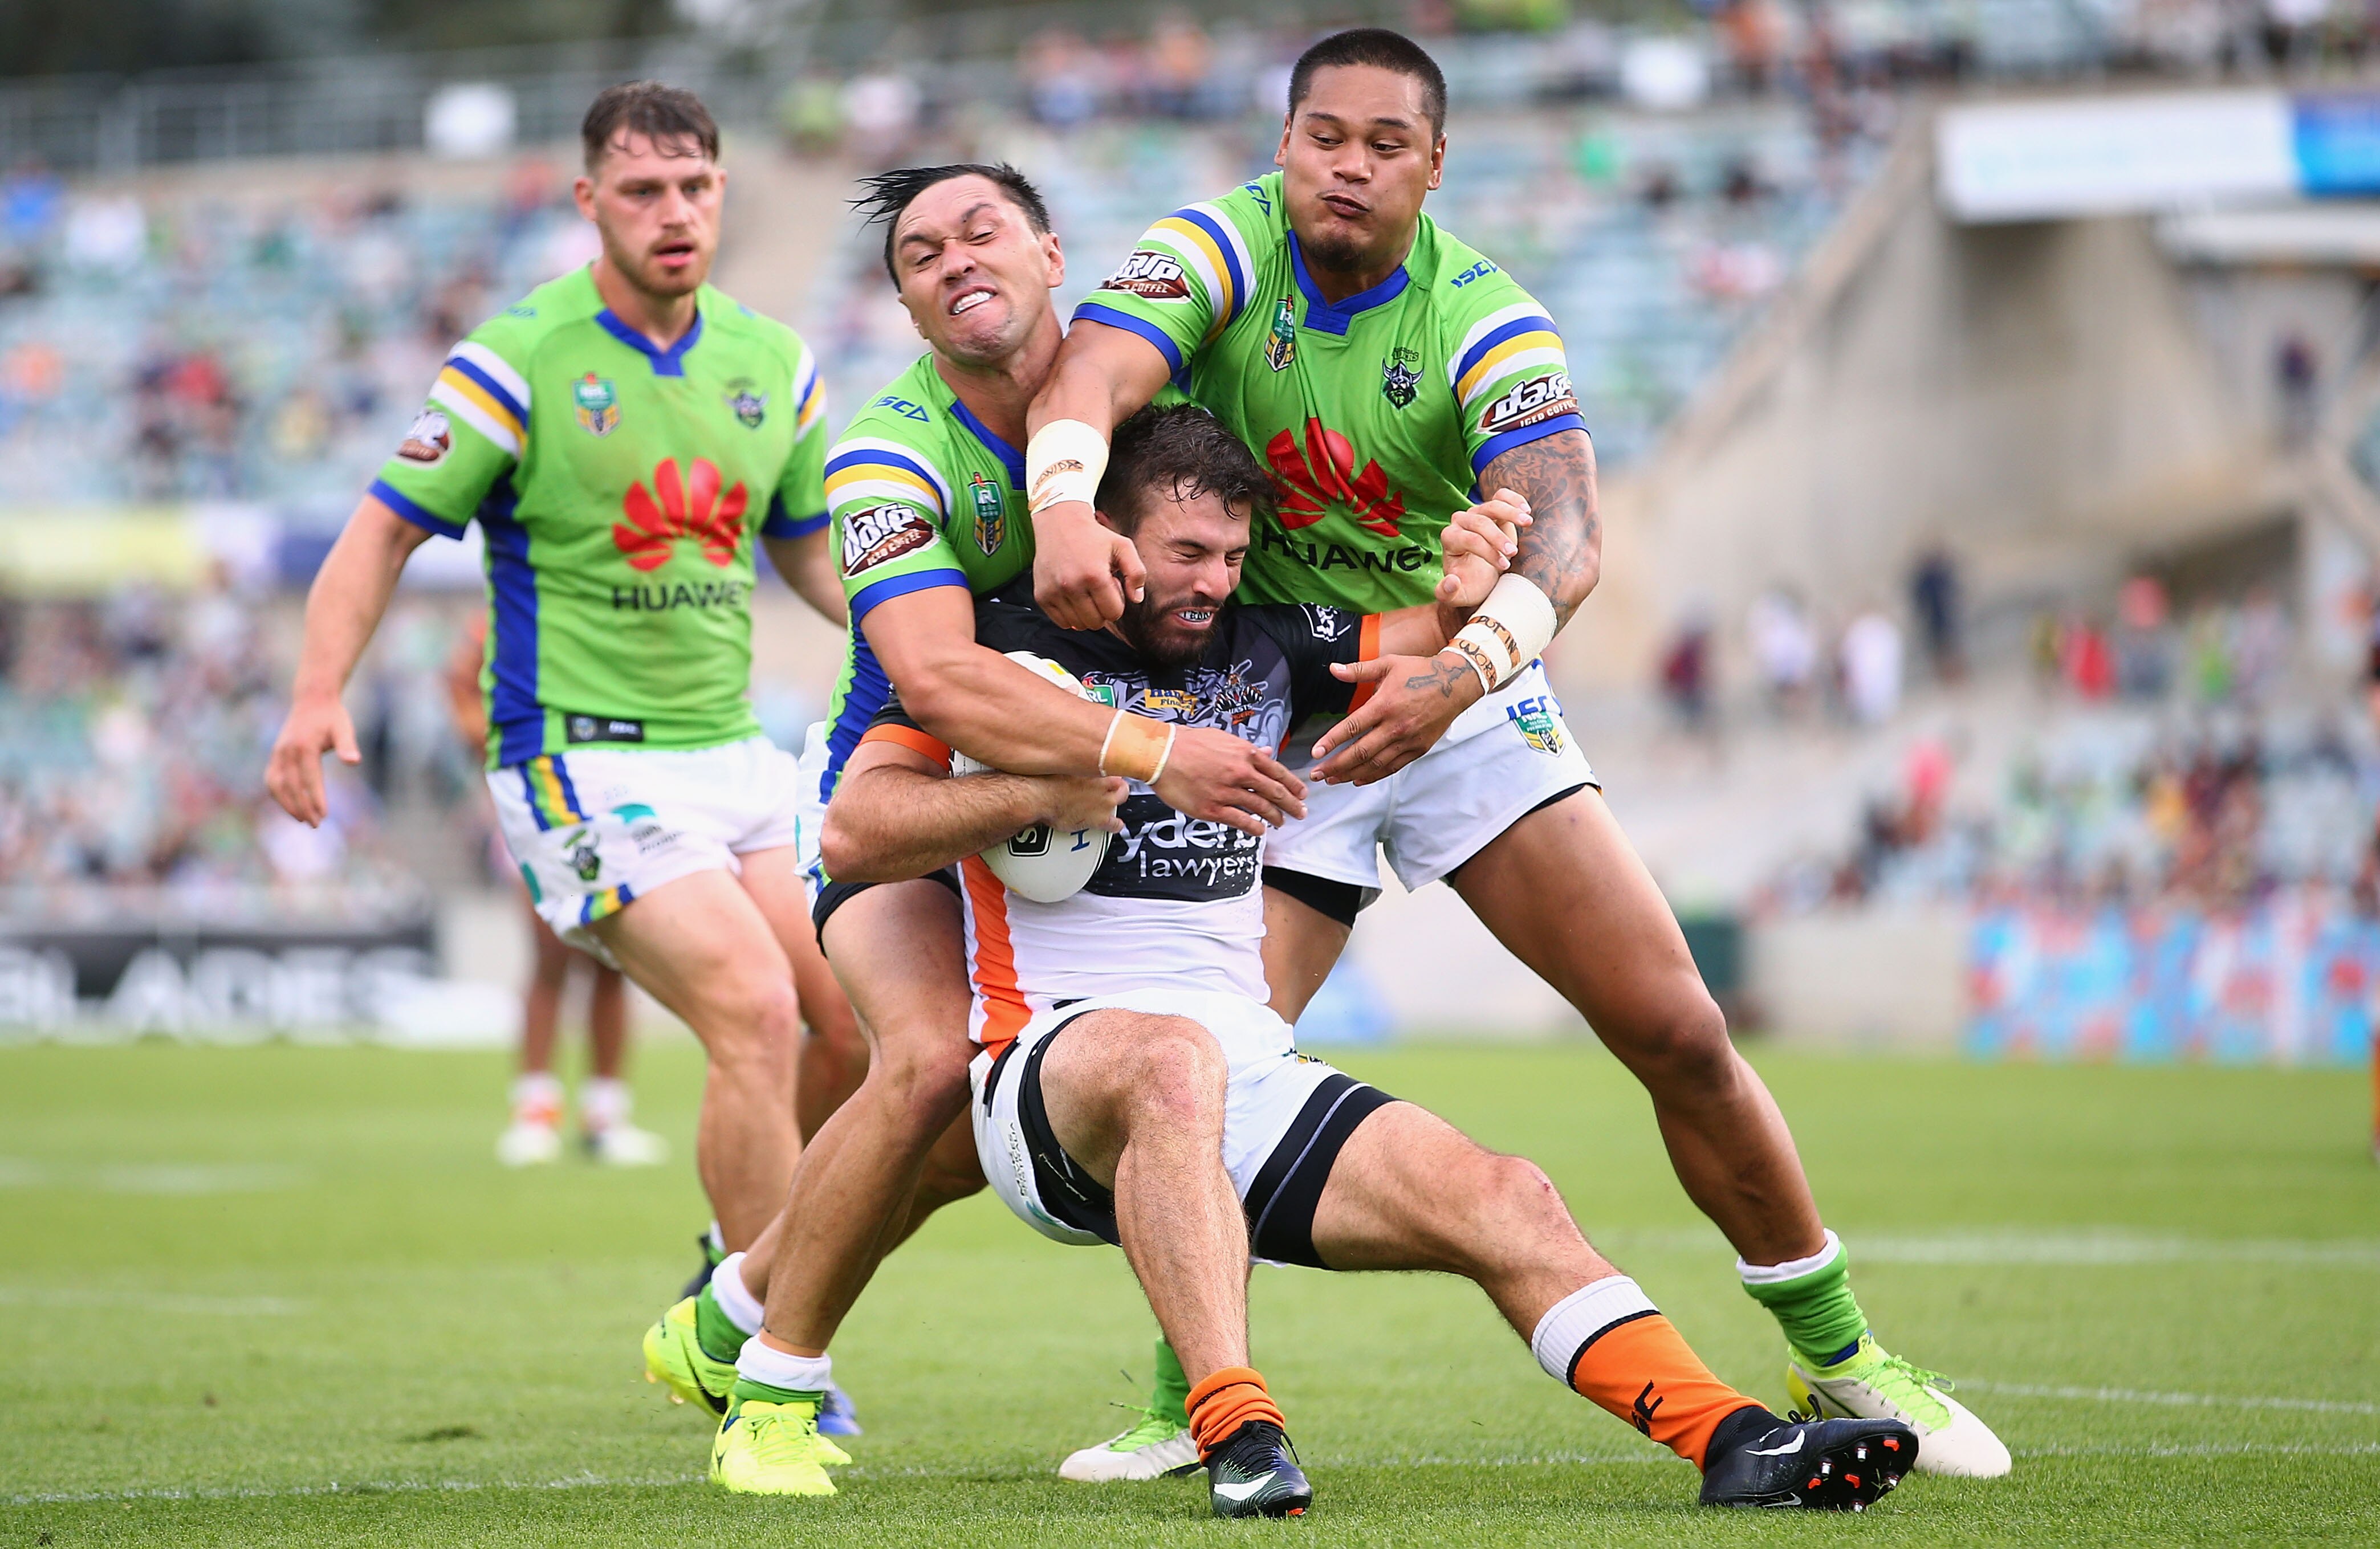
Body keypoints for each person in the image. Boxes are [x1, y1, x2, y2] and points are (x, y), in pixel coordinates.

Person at [1024, 27, 2008, 1479]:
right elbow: (1089, 374)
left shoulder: (1484, 312)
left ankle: (1841, 1352)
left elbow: (1562, 533)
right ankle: (1194, 1396)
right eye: (1321, 136)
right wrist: (1061, 500)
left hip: (1454, 696)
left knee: (1674, 1026)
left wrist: (1466, 665)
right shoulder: (1217, 247)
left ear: (1435, 164)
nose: (1344, 165)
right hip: (1270, 720)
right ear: (1282, 144)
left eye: (1382, 143)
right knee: (1211, 1071)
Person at [776, 404, 1919, 1515]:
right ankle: (1236, 1428)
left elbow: (1437, 632)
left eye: (1232, 555)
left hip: (1238, 1075)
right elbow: (855, 830)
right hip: (1041, 1076)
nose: (1213, 582)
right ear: (1109, 534)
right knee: (1170, 1063)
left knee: (1504, 1197)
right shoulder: (1000, 651)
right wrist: (1050, 791)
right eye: (1185, 552)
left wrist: (1474, 596)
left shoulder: (1270, 648)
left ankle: (1733, 1442)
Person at [638, 162, 1337, 1460]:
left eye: (982, 231)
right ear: (905, 303)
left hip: (1099, 792)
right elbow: (938, 678)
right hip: (905, 790)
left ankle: (730, 1308)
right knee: (922, 1075)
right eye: (920, 254)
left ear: (1051, 251)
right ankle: (773, 1400)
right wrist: (1152, 751)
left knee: (1060, 1108)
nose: (955, 259)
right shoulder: (892, 456)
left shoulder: (1147, 408)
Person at [264, 81, 864, 1273]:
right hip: (575, 759)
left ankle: (731, 1273)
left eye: (693, 186)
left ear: (722, 190)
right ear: (590, 201)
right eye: (642, 191)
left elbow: (802, 542)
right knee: (750, 1010)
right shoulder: (516, 358)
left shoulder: (776, 362)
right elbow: (382, 529)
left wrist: (912, 636)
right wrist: (316, 692)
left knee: (851, 1028)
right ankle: (765, 1358)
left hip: (732, 754)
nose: (673, 212)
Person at [443, 614, 661, 1167]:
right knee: (549, 955)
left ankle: (604, 1115)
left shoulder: (622, 610)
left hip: (616, 798)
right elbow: (459, 675)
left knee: (615, 961)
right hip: (543, 800)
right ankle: (535, 1110)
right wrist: (484, 738)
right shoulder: (523, 606)